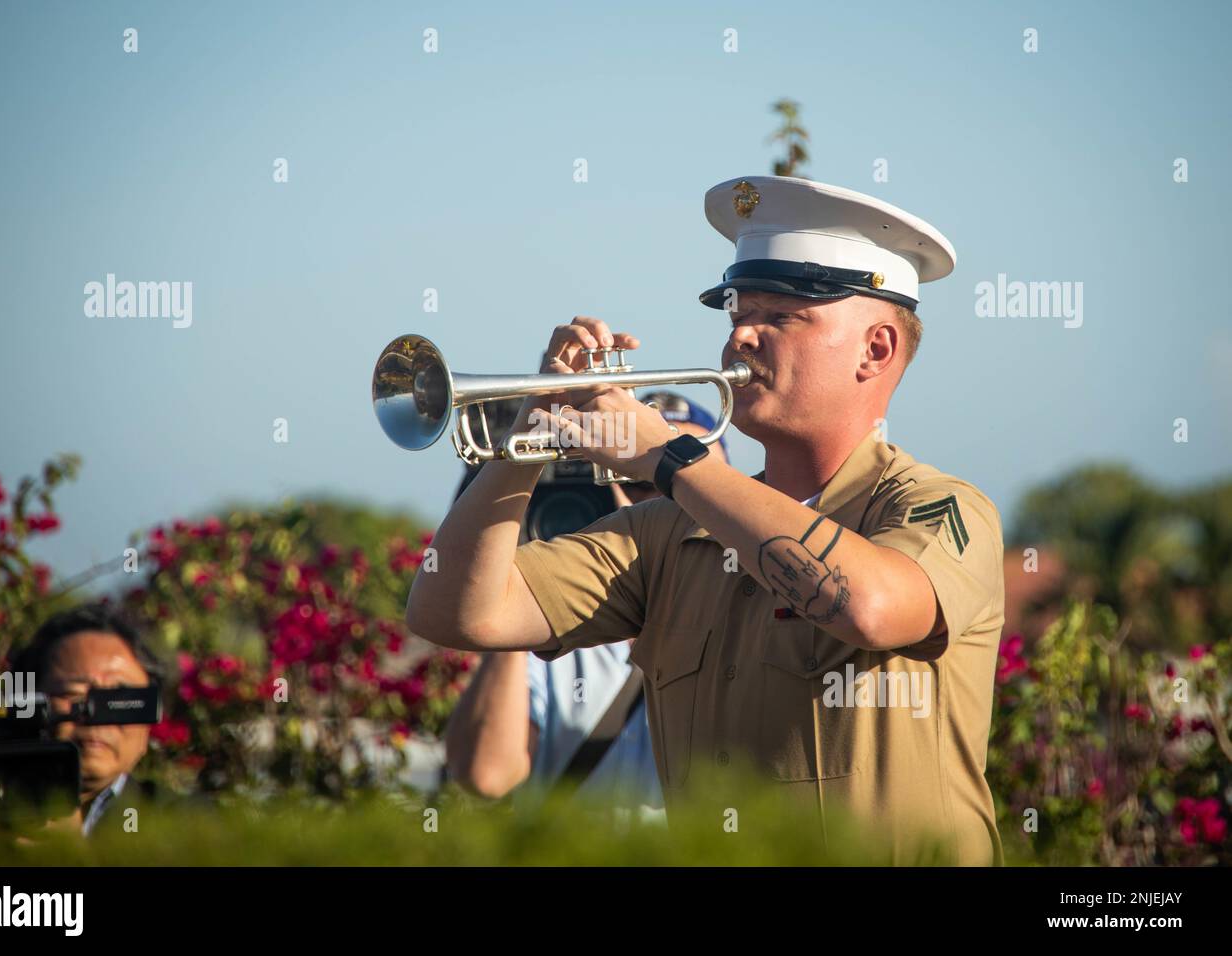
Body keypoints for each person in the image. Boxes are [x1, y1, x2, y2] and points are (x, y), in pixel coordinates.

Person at [407, 176, 1005, 865]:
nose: (741, 335)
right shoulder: (666, 531)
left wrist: (663, 452)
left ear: (875, 350)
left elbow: (867, 608)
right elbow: (453, 613)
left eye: (781, 317)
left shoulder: (939, 508)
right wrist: (526, 434)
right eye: (735, 316)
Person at [444, 394, 731, 818]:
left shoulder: (744, 619)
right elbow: (485, 774)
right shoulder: (558, 639)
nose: (667, 502)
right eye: (640, 482)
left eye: (694, 480)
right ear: (609, 490)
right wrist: (516, 582)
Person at [9, 603, 164, 837]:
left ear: (147, 728)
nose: (97, 717)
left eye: (120, 700)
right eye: (74, 695)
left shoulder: (192, 824)